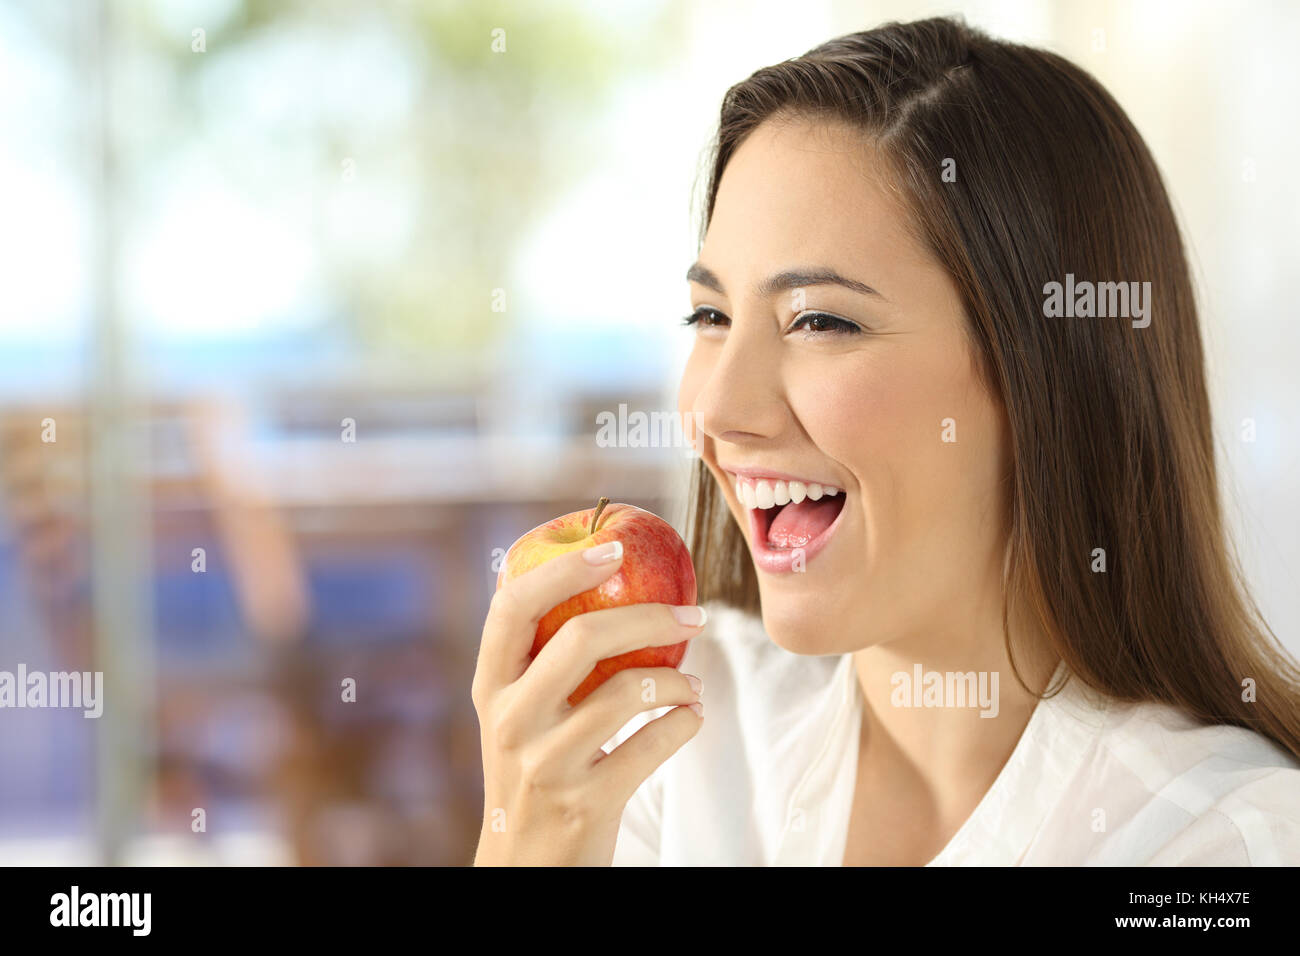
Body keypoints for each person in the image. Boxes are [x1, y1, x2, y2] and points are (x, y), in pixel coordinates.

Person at [471, 16, 1300, 866]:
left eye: (821, 321)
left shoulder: (1222, 846)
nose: (718, 410)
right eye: (711, 316)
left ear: (1043, 373)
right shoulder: (672, 732)